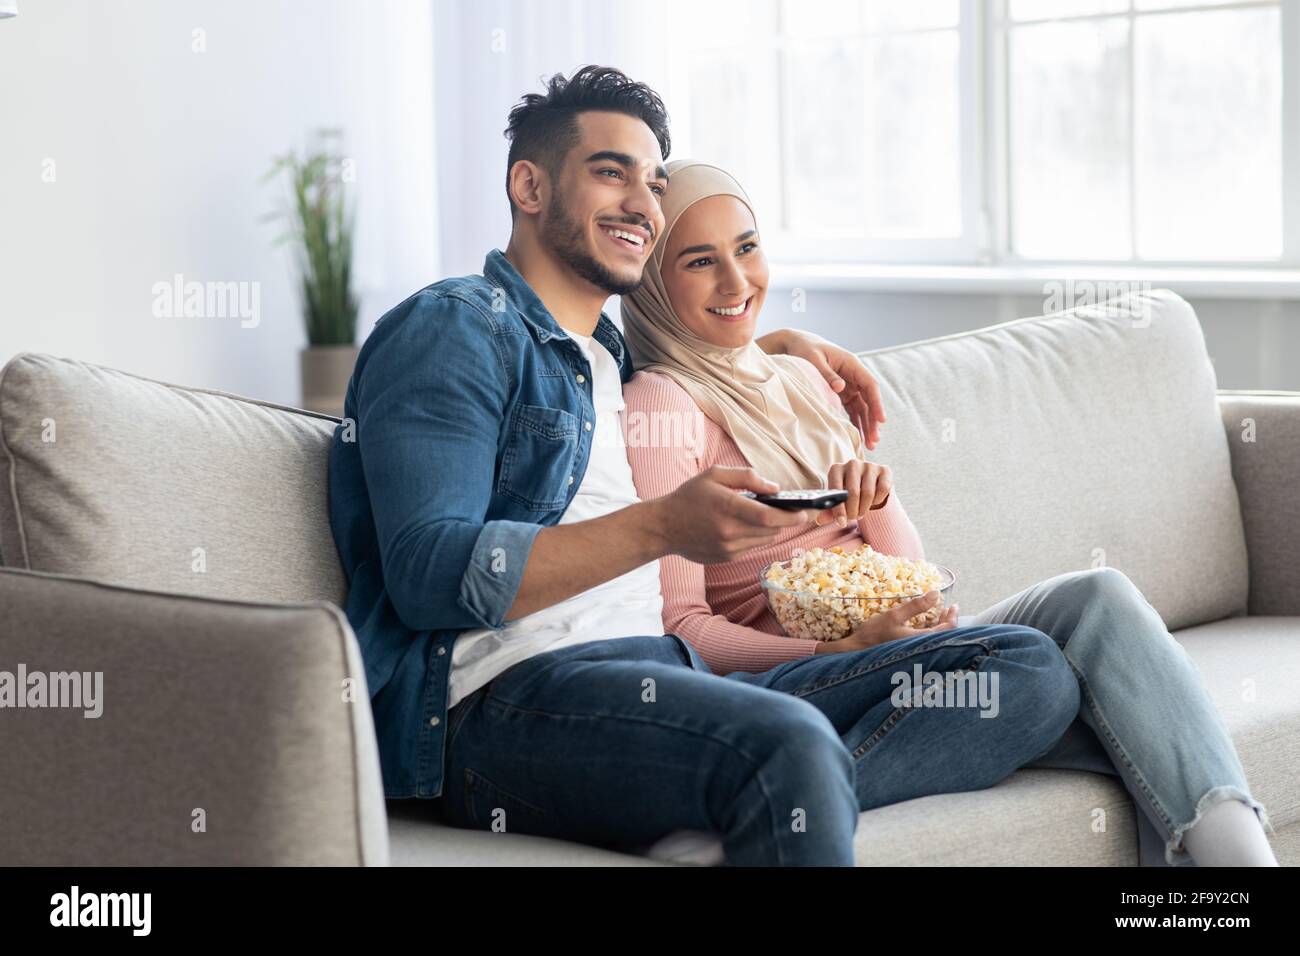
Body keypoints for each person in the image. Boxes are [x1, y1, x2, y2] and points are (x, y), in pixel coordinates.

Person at [328, 65, 1079, 866]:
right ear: (529, 185)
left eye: (652, 182)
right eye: (609, 171)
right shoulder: (455, 328)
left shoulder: (608, 364)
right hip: (510, 703)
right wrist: (661, 527)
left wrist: (776, 351)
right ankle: (765, 788)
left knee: (1023, 668)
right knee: (784, 743)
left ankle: (738, 808)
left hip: (668, 675)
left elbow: (698, 349)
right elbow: (426, 573)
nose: (641, 204)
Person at [619, 158, 1278, 867]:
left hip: (907, 648)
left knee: (1099, 600)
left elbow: (917, 587)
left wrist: (876, 496)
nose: (737, 281)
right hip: (807, 677)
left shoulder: (801, 379)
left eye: (747, 247)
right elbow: (681, 630)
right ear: (654, 282)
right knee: (1056, 685)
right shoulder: (663, 406)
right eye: (698, 262)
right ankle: (763, 808)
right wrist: (832, 650)